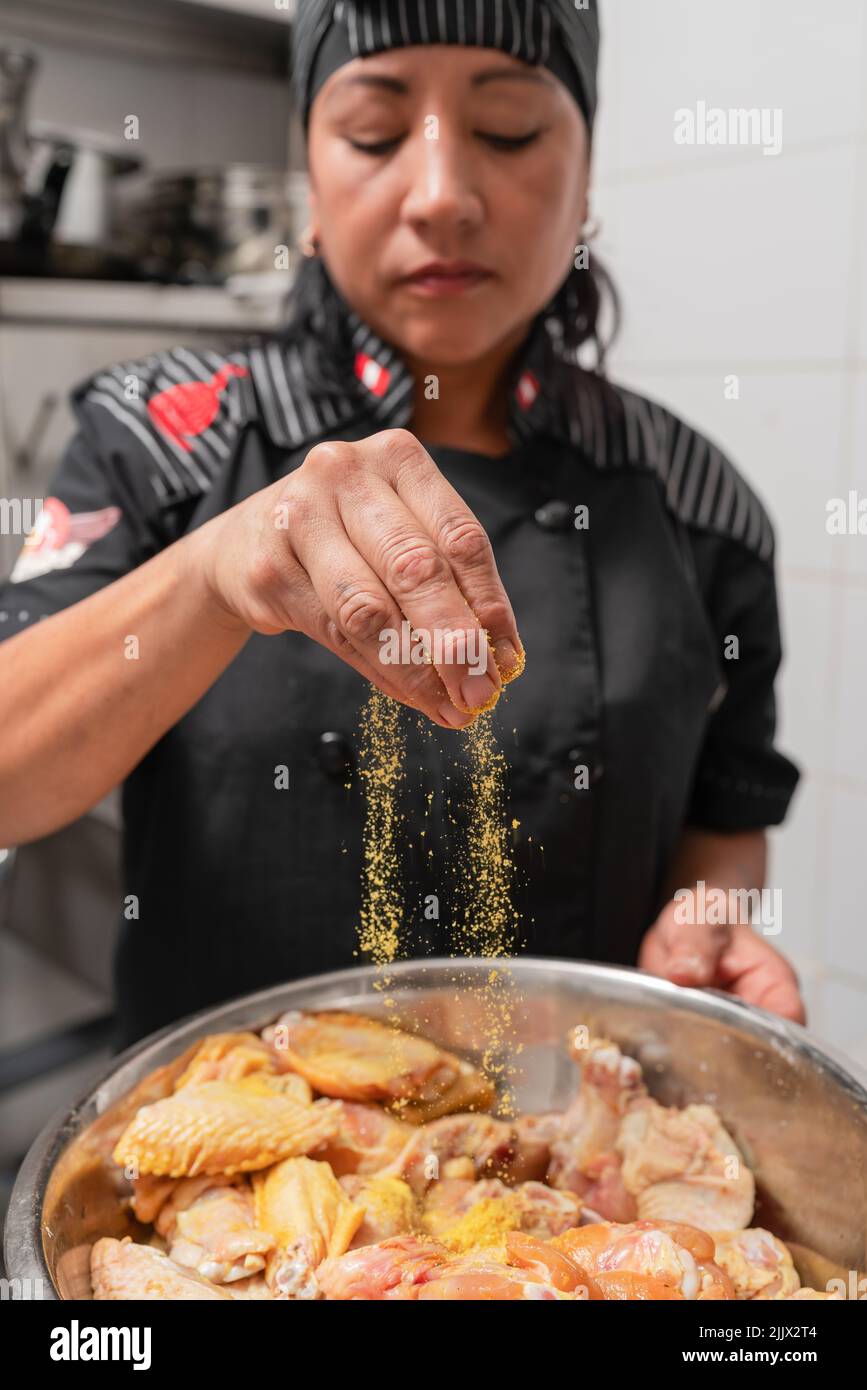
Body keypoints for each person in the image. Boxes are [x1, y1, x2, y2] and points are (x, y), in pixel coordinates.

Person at [0, 0, 804, 1050]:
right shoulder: (163, 437)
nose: (441, 196)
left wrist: (709, 916)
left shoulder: (697, 501)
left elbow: (725, 808)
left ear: (588, 171)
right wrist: (207, 577)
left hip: (574, 1169)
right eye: (376, 135)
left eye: (510, 129)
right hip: (230, 1172)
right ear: (313, 177)